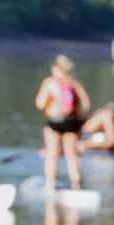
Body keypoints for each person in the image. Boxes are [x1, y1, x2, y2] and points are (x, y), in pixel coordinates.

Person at [34, 56, 88, 192]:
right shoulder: (74, 84)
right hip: (71, 123)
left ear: (56, 69)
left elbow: (40, 104)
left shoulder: (49, 83)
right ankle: (76, 184)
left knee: (52, 154)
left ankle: (50, 184)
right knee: (72, 155)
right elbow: (86, 105)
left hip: (54, 122)